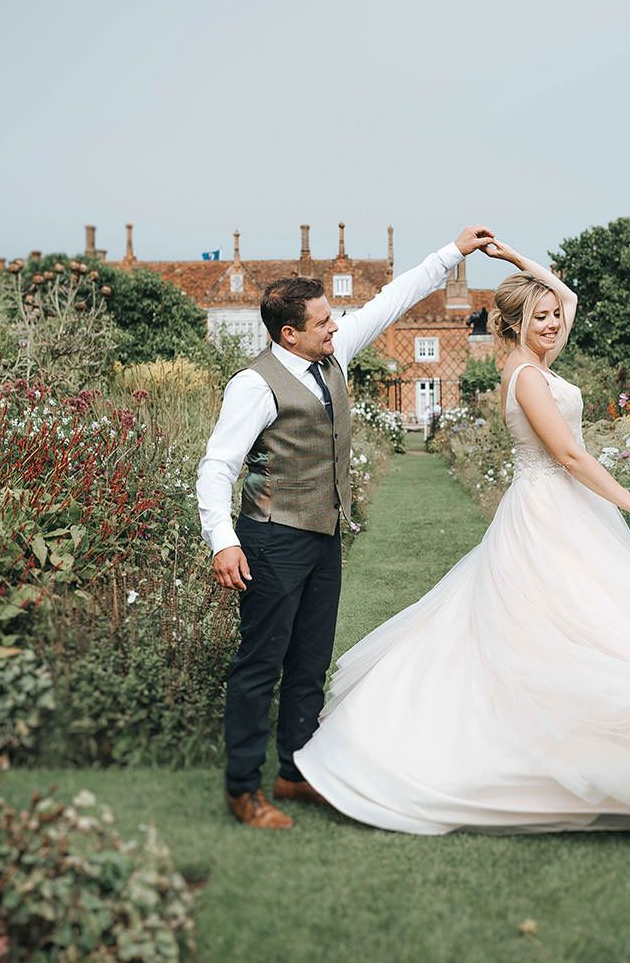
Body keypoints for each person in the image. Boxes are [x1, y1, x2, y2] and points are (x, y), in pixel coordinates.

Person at [293, 239, 630, 834]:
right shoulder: (526, 377)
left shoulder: (539, 359)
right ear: (515, 325)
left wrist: (518, 261)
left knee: (593, 616)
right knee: (560, 619)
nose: (553, 323)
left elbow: (568, 296)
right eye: (539, 318)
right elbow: (569, 454)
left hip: (568, 507)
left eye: (553, 318)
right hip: (548, 507)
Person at [196, 225, 496, 828]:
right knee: (260, 664)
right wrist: (223, 542)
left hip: (323, 537)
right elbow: (216, 467)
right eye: (323, 321)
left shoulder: (331, 355)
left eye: (333, 319)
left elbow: (390, 300)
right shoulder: (254, 385)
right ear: (289, 333)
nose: (335, 326)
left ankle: (295, 772)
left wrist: (453, 252)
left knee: (310, 662)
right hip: (270, 539)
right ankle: (242, 788)